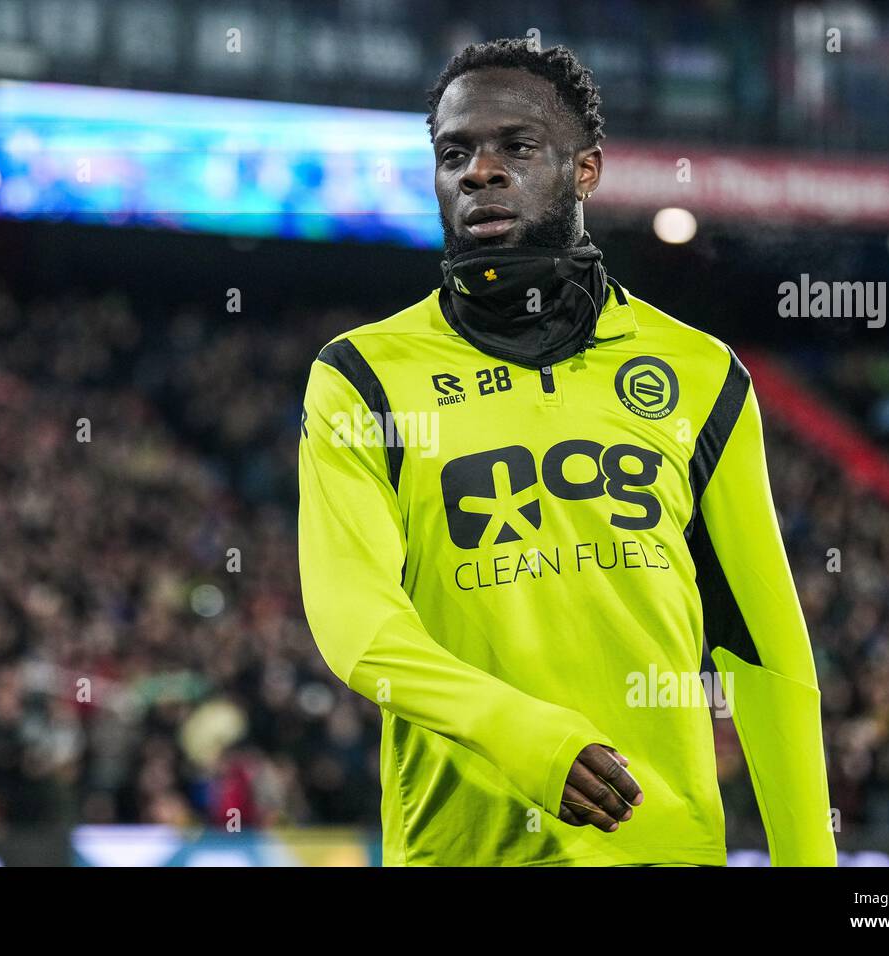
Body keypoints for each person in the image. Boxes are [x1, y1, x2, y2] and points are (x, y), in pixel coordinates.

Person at [298, 38, 836, 866]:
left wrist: (810, 860)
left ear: (586, 170)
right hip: (465, 853)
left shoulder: (700, 375)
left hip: (663, 850)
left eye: (515, 147)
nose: (479, 172)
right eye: (454, 154)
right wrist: (521, 734)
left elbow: (765, 651)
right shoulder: (362, 376)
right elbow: (356, 623)